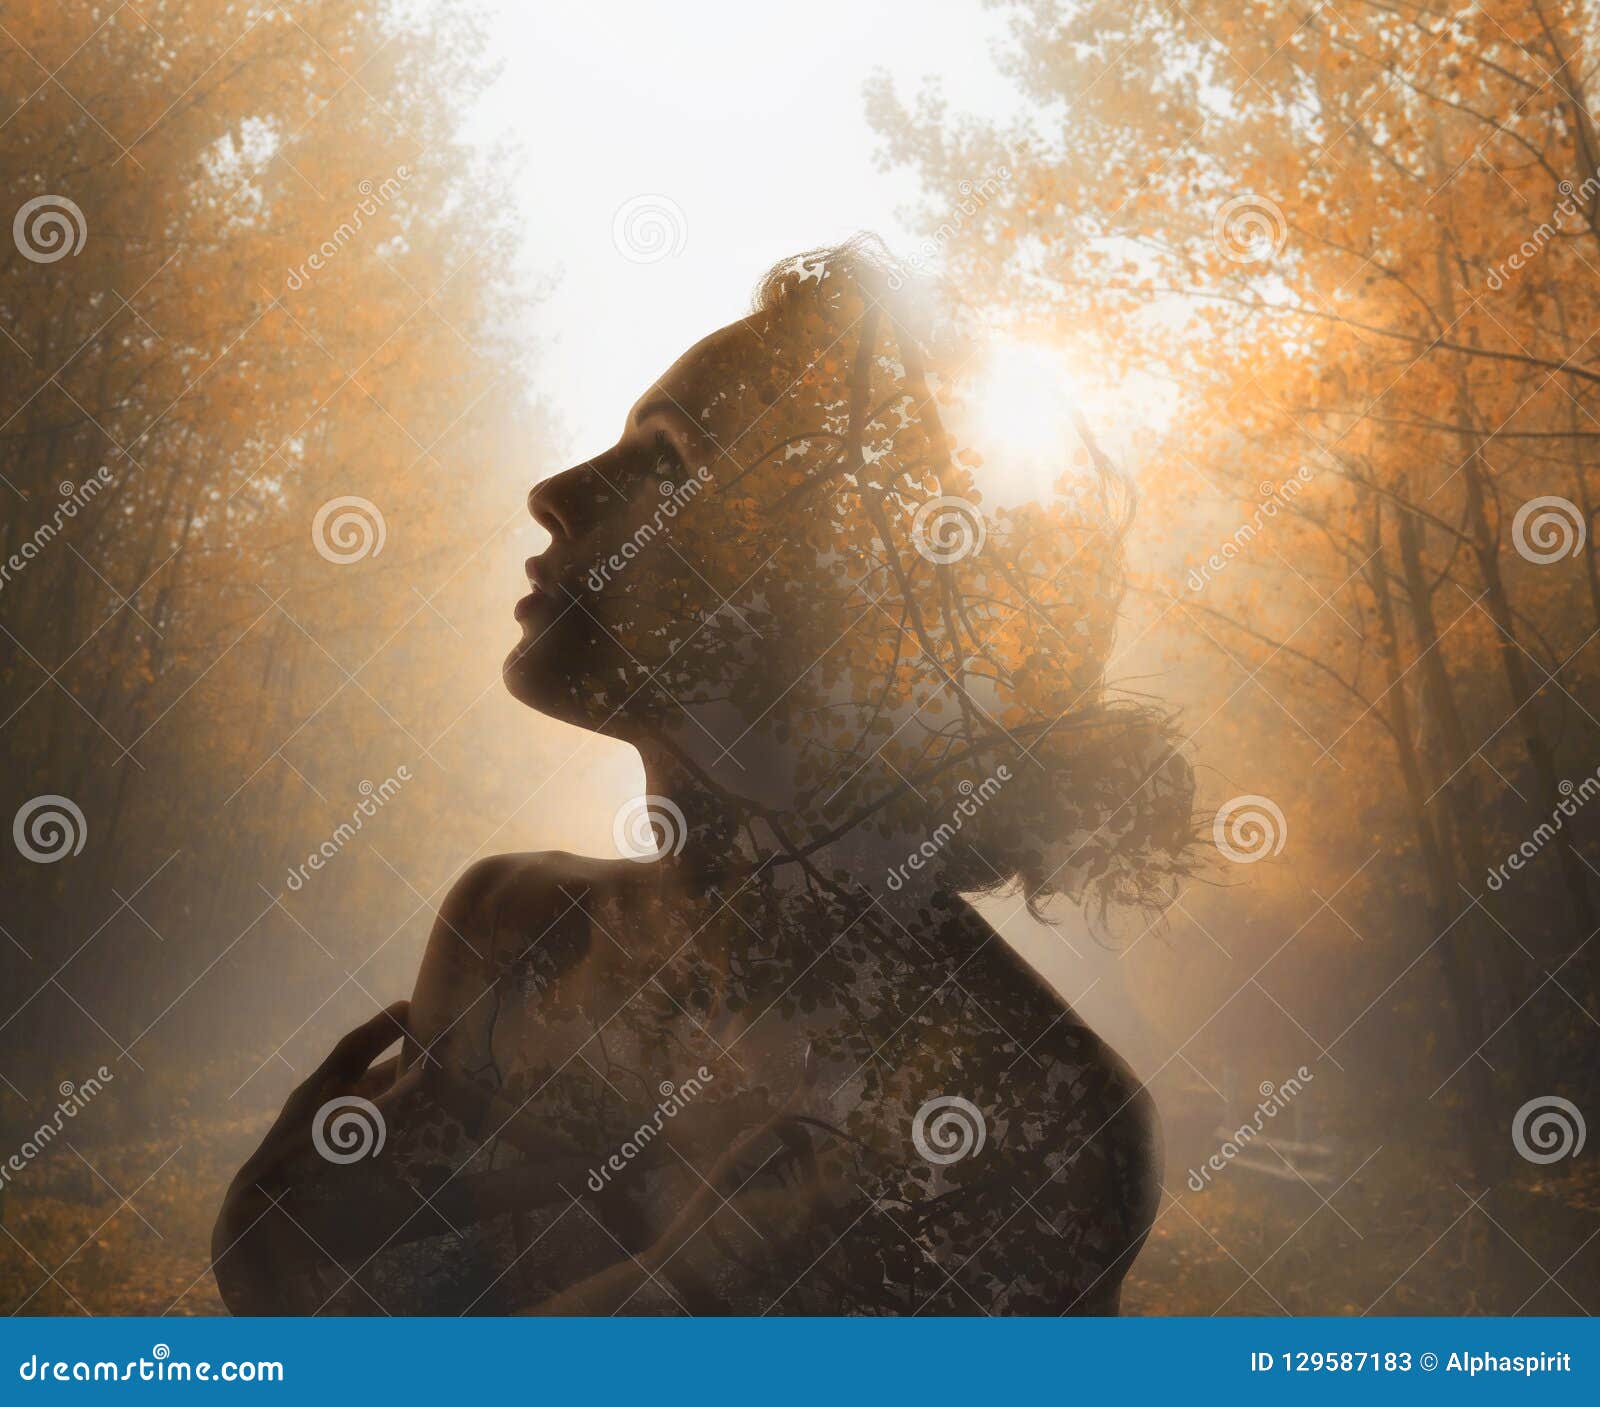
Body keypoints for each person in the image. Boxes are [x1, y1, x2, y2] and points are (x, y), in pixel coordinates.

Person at [213, 238, 1193, 1315]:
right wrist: (269, 1265)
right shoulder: (517, 934)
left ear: (844, 582)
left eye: (668, 463)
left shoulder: (1028, 1109)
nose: (555, 491)